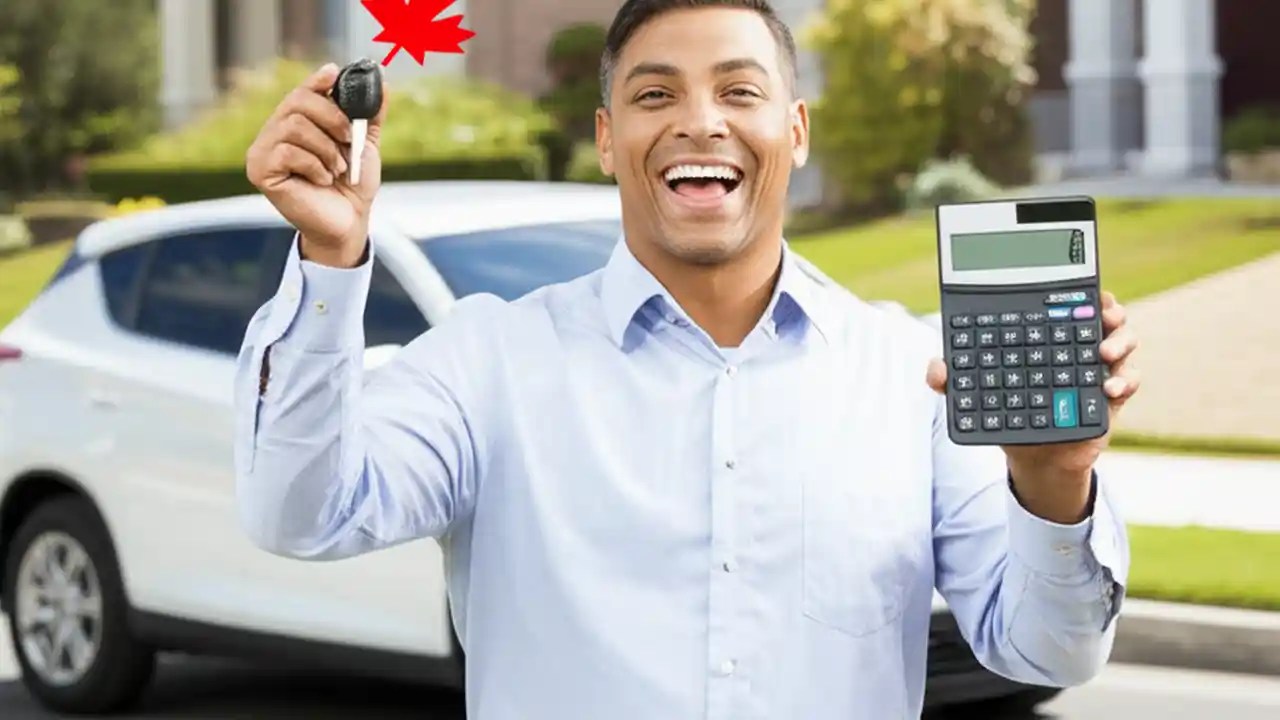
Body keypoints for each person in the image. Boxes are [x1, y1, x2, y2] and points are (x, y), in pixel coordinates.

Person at [237, 1, 1138, 717]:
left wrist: (1053, 487)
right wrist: (329, 263)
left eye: (739, 92)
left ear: (797, 131)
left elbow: (1050, 651)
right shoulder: (489, 363)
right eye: (656, 94)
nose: (701, 123)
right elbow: (300, 515)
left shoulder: (911, 376)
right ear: (604, 137)